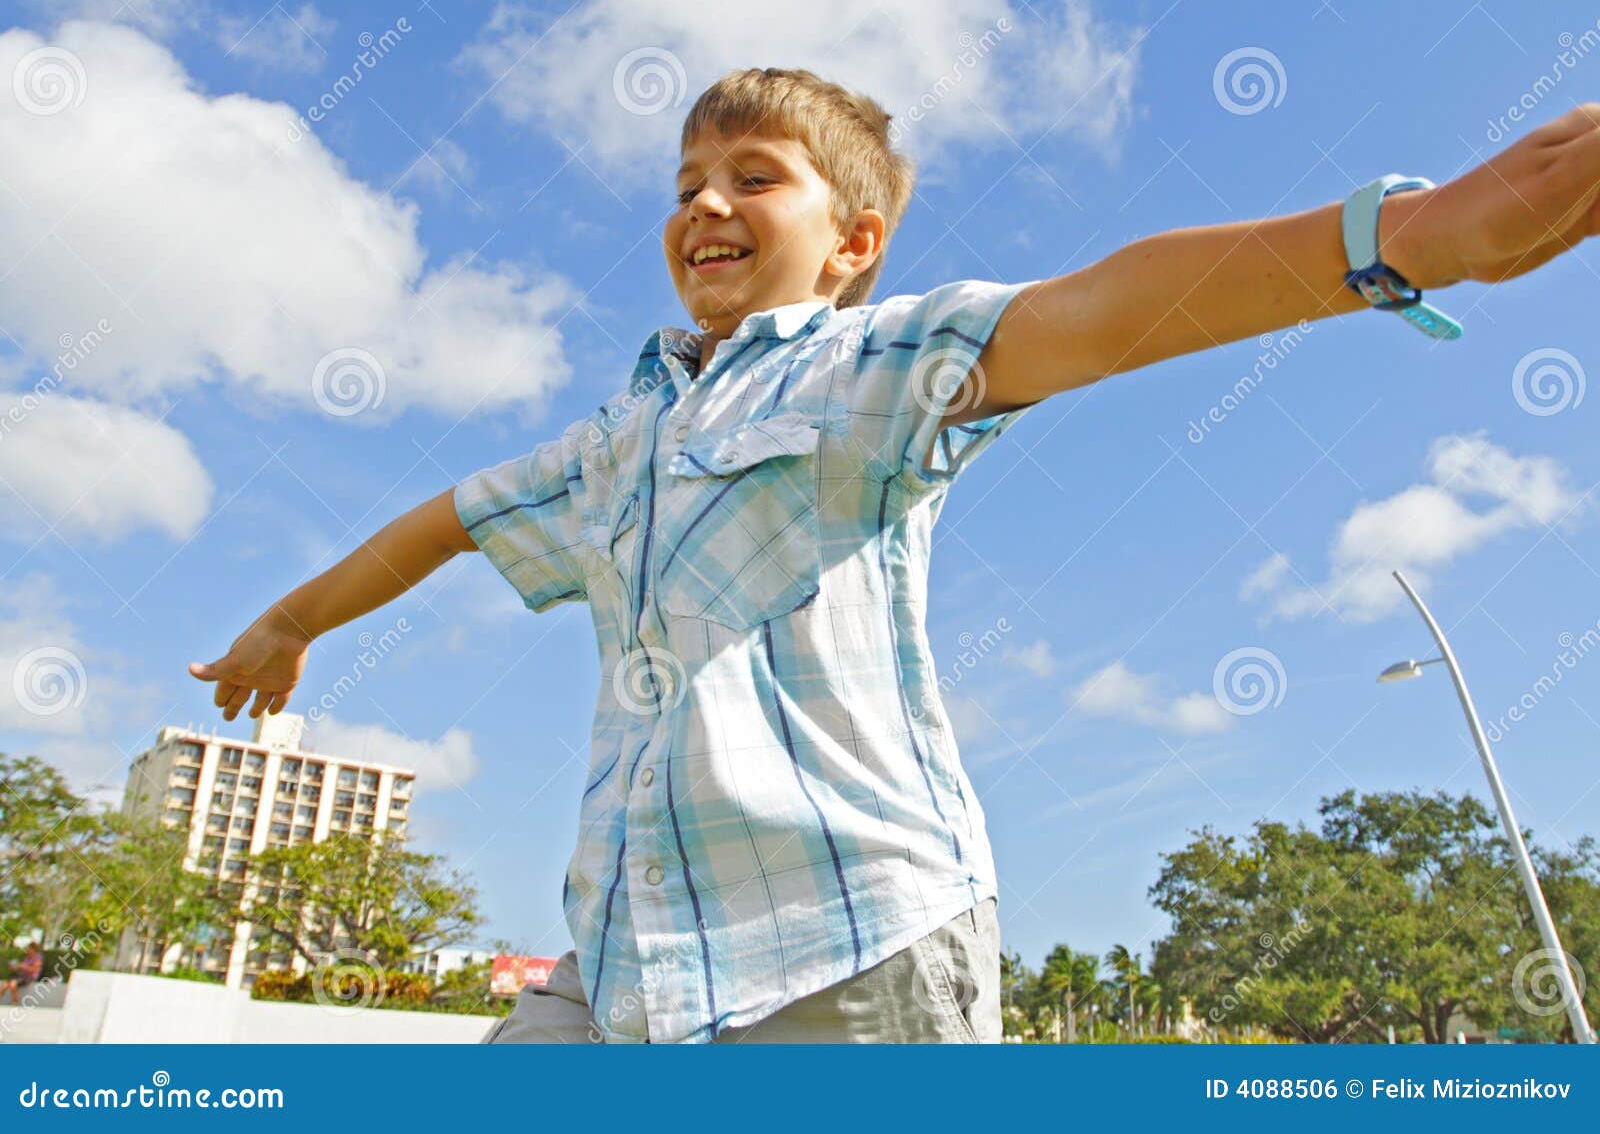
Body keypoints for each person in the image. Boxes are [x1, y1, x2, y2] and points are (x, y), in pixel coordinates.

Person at [188, 68, 1600, 1043]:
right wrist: (288, 618)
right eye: (686, 179)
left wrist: (1400, 234)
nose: (706, 201)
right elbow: (442, 518)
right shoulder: (612, 443)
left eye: (757, 175)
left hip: (851, 945)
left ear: (853, 241)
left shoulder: (878, 361)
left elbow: (1108, 309)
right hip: (622, 970)